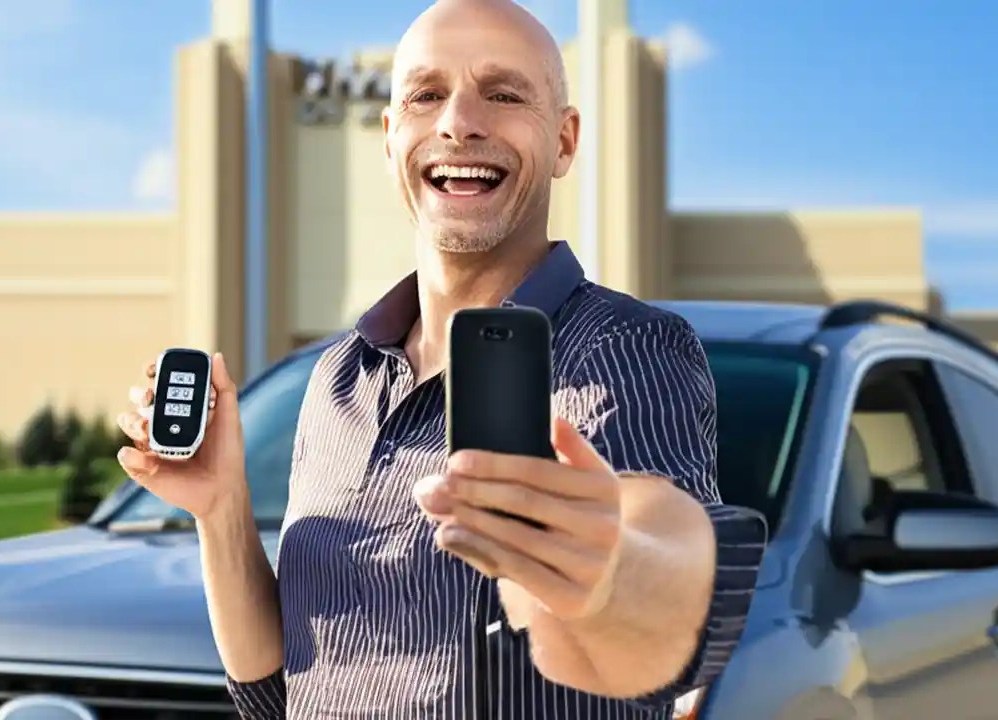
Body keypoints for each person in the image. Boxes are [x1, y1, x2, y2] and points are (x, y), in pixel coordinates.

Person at [116, 0, 767, 717]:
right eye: (427, 96)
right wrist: (221, 509)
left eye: (504, 94)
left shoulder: (628, 349)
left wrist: (615, 568)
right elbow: (279, 694)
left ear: (565, 141)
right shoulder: (337, 378)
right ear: (392, 138)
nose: (459, 122)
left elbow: (668, 571)